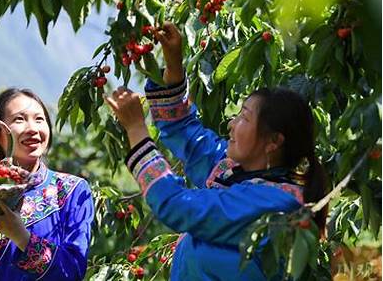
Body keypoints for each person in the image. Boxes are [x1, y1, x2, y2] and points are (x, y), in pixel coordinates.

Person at [104, 22, 328, 280]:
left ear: (273, 142)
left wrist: (136, 129)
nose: (232, 124)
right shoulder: (233, 169)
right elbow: (185, 131)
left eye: (244, 117)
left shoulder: (273, 205)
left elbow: (176, 205)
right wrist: (174, 64)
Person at [0, 88, 94, 280]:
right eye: (19, 119)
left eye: (39, 119)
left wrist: (20, 235)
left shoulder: (72, 191)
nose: (33, 129)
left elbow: (73, 271)